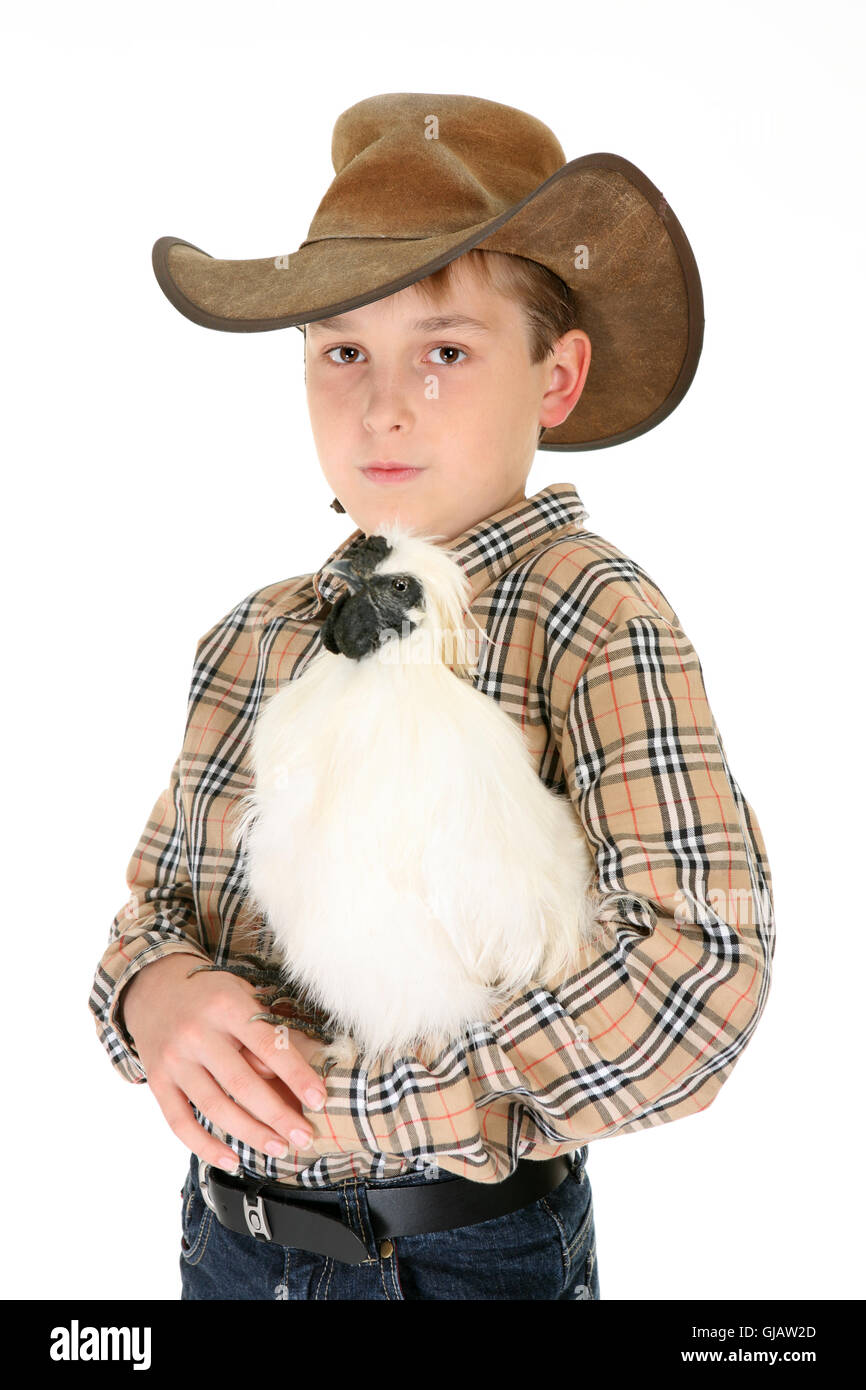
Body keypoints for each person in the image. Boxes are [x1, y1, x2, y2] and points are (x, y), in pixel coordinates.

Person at [88, 92, 775, 1301]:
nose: (383, 403)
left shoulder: (593, 617)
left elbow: (690, 975)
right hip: (226, 1248)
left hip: (454, 1260)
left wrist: (338, 1105)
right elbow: (157, 908)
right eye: (341, 350)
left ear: (555, 377)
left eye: (444, 350)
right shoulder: (250, 639)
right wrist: (155, 995)